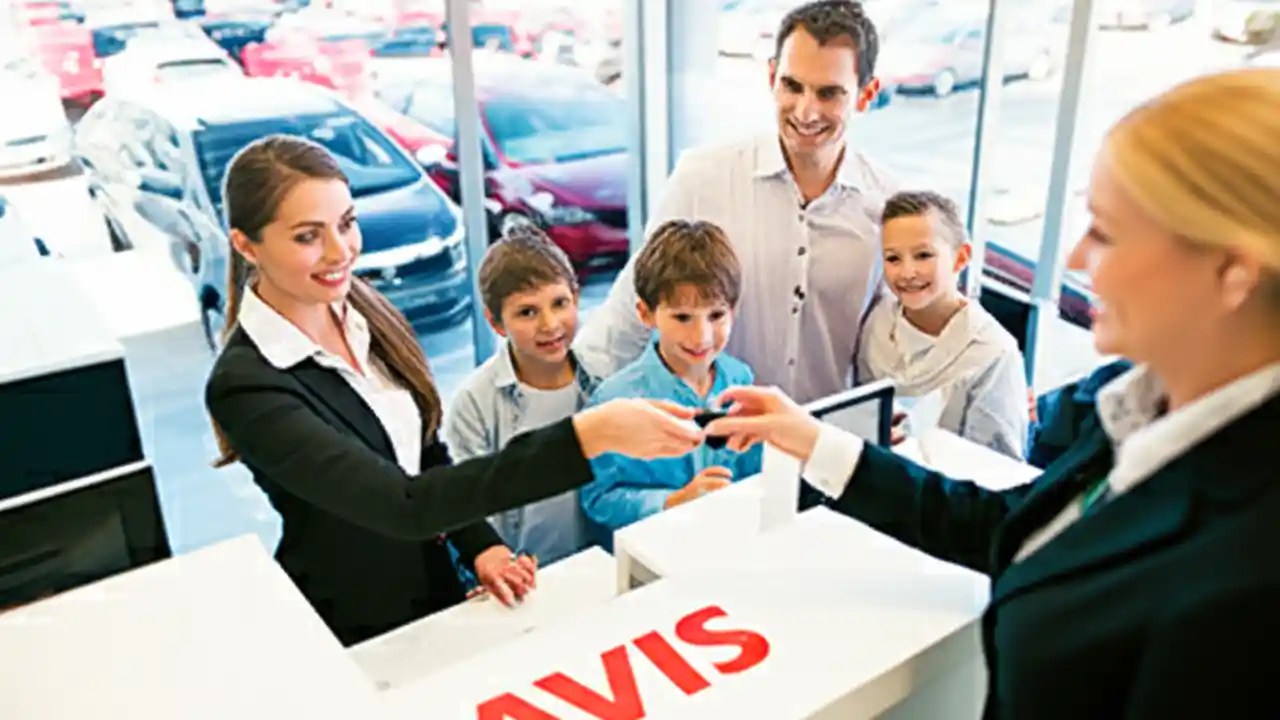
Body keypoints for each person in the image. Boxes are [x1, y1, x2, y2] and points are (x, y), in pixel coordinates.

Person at [705, 69, 1280, 717]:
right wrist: (816, 440)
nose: (1076, 261)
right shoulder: (1136, 397)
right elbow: (1007, 522)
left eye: (1108, 231)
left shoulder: (1253, 581)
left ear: (1231, 272)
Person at [204, 136, 704, 646]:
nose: (341, 252)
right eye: (308, 236)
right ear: (246, 244)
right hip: (358, 621)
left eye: (347, 223)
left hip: (441, 597)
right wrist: (586, 436)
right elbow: (402, 503)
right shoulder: (246, 384)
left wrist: (480, 546)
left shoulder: (360, 311)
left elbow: (424, 453)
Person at [575, 0, 898, 404]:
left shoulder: (889, 209)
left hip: (827, 444)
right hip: (718, 446)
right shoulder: (703, 177)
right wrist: (560, 425)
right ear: (770, 76)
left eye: (829, 93)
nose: (806, 110)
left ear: (866, 94)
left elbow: (892, 346)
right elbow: (628, 316)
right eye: (792, 85)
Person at [579, 220, 763, 541]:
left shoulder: (741, 379)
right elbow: (597, 499)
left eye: (716, 315)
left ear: (734, 311)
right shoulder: (616, 400)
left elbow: (755, 471)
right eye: (682, 317)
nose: (701, 336)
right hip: (655, 553)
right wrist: (673, 501)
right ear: (646, 313)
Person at [443, 225, 598, 567]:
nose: (550, 324)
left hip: (600, 560)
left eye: (560, 303)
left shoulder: (603, 378)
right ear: (496, 323)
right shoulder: (473, 404)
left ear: (576, 296)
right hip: (524, 577)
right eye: (527, 312)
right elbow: (464, 510)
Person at [858, 190, 1029, 458]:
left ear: (960, 258)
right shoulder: (877, 322)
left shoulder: (993, 355)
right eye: (893, 258)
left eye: (923, 255)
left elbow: (1000, 468)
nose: (907, 272)